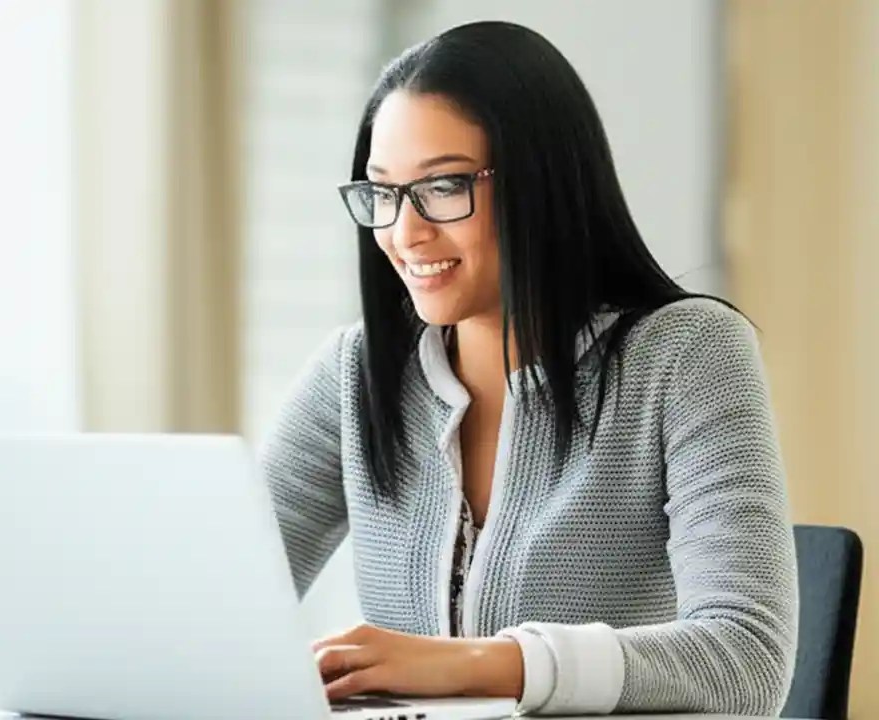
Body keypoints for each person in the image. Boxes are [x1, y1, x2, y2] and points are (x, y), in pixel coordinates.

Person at [261, 21, 796, 717]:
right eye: (383, 192)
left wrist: (476, 667)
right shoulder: (354, 372)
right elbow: (209, 601)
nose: (404, 231)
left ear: (540, 184)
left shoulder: (688, 354)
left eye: (444, 187)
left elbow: (744, 661)